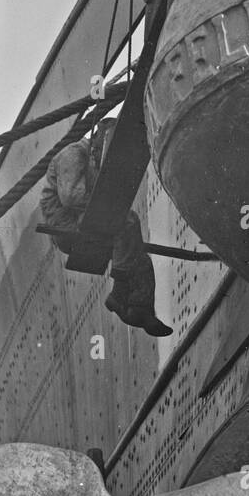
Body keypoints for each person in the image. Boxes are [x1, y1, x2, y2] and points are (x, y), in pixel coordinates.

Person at [40, 118, 172, 337]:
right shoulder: (73, 153)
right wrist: (110, 209)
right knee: (126, 220)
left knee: (140, 257)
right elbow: (71, 197)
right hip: (64, 224)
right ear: (97, 139)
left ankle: (141, 309)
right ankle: (119, 291)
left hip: (83, 221)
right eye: (104, 146)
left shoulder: (93, 159)